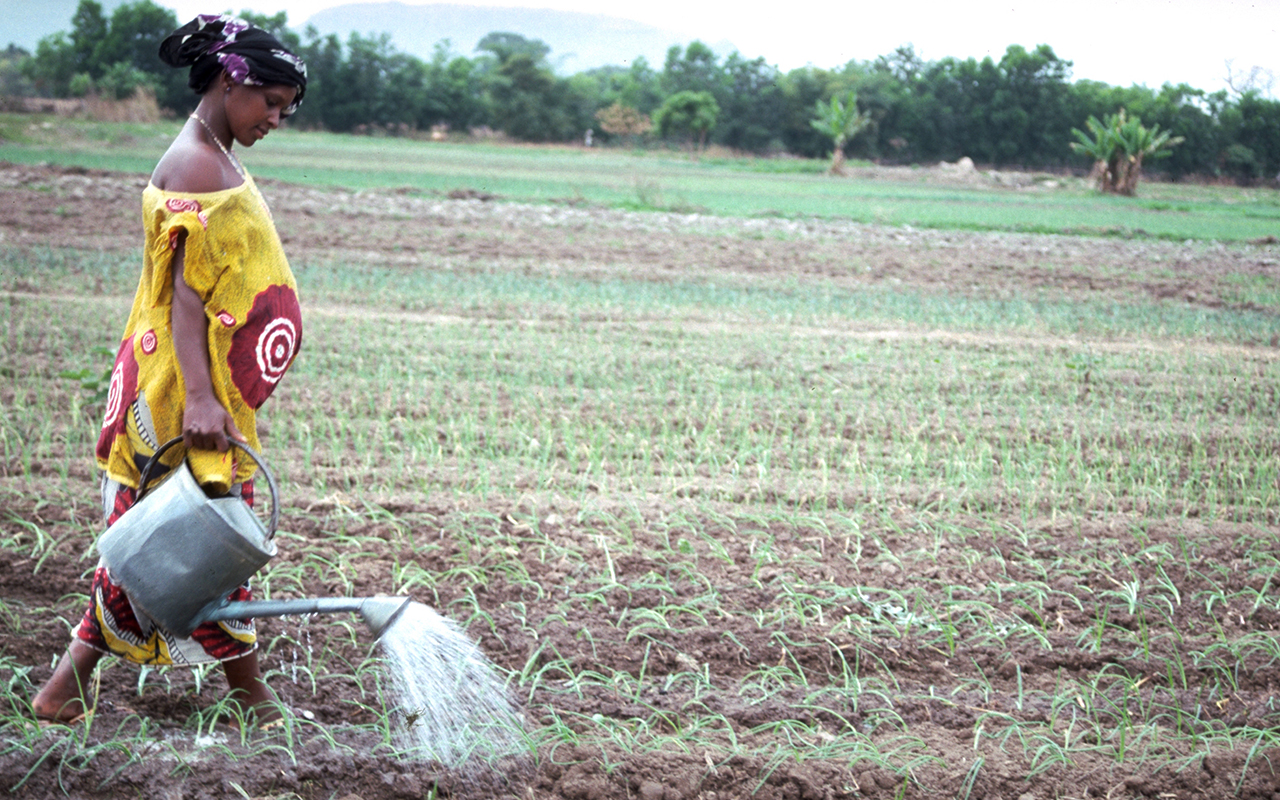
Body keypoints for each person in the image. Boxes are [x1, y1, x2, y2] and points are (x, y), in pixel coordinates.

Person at [31, 15, 308, 729]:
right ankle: (254, 704)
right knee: (205, 543)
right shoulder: (197, 165)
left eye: (285, 108)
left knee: (168, 545)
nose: (276, 119)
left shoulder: (211, 152)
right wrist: (205, 398)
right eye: (269, 102)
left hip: (188, 390)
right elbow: (186, 299)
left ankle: (66, 689)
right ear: (229, 80)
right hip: (182, 397)